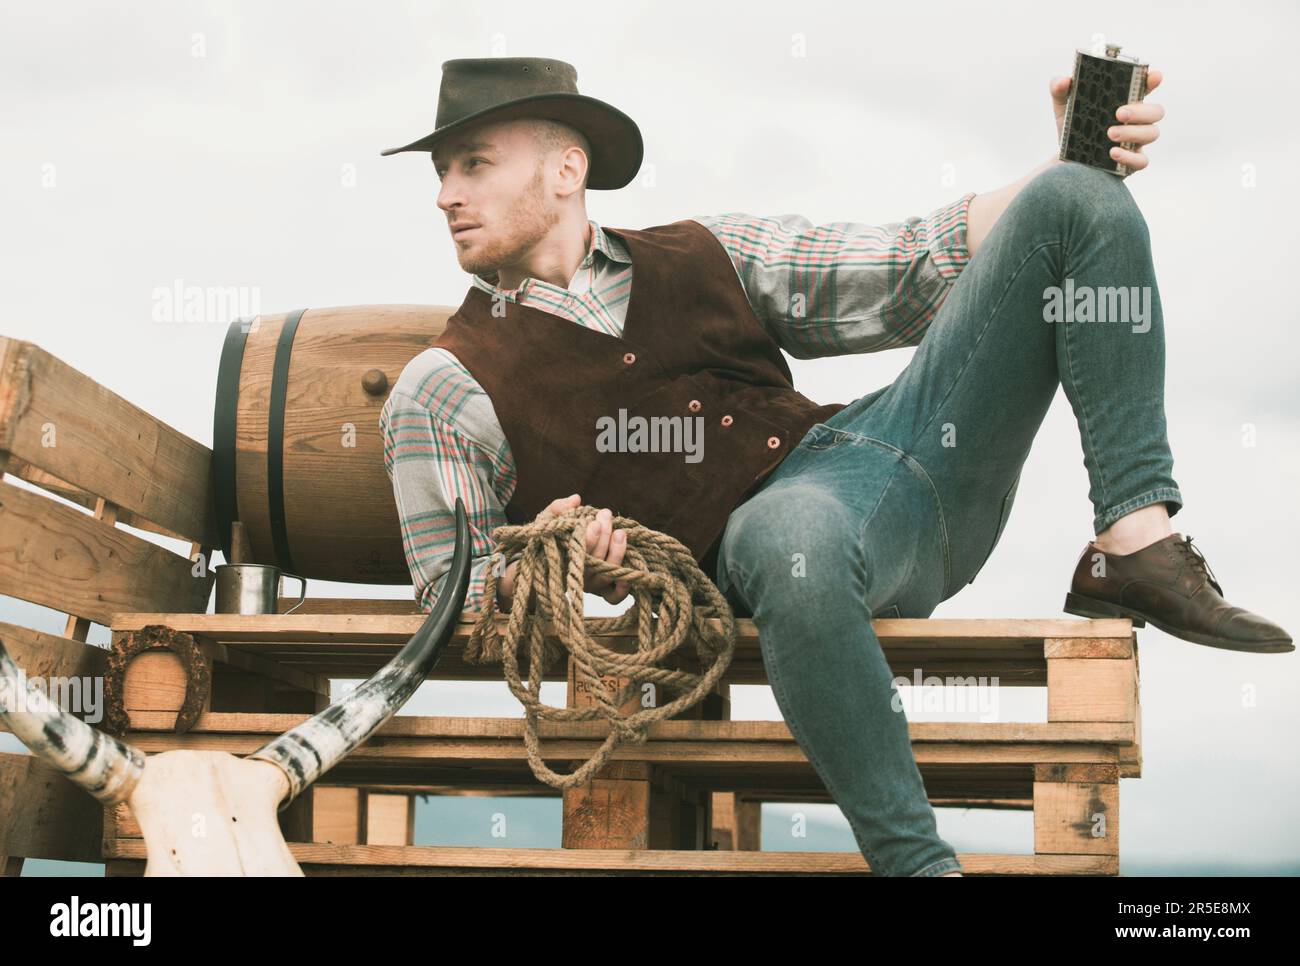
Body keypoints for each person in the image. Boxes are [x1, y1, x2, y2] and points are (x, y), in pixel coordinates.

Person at [378, 57, 1293, 877]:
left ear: (565, 169)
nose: (446, 195)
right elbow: (453, 605)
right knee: (790, 533)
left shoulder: (707, 251)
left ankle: (1135, 541)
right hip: (777, 547)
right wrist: (566, 560)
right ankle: (918, 867)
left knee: (1081, 199)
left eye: (473, 164)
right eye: (441, 173)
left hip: (900, 446)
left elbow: (901, 269)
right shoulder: (445, 388)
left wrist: (1068, 158)